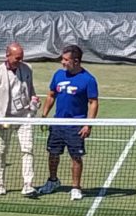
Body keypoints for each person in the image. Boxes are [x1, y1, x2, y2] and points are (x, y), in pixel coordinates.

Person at [38, 44, 99, 201]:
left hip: (75, 125)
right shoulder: (58, 75)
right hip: (58, 124)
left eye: (65, 60)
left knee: (76, 157)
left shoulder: (88, 80)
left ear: (76, 61)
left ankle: (76, 187)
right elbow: (51, 95)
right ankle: (53, 181)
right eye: (62, 59)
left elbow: (93, 102)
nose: (62, 62)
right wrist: (44, 115)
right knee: (53, 154)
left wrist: (88, 125)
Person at [0, 42, 38, 197]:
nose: (20, 61)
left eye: (21, 58)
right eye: (17, 58)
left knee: (27, 149)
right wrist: (1, 118)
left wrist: (34, 102)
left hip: (24, 116)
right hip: (5, 117)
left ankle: (28, 184)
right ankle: (0, 182)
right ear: (7, 56)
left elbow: (30, 89)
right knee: (2, 151)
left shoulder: (27, 68)